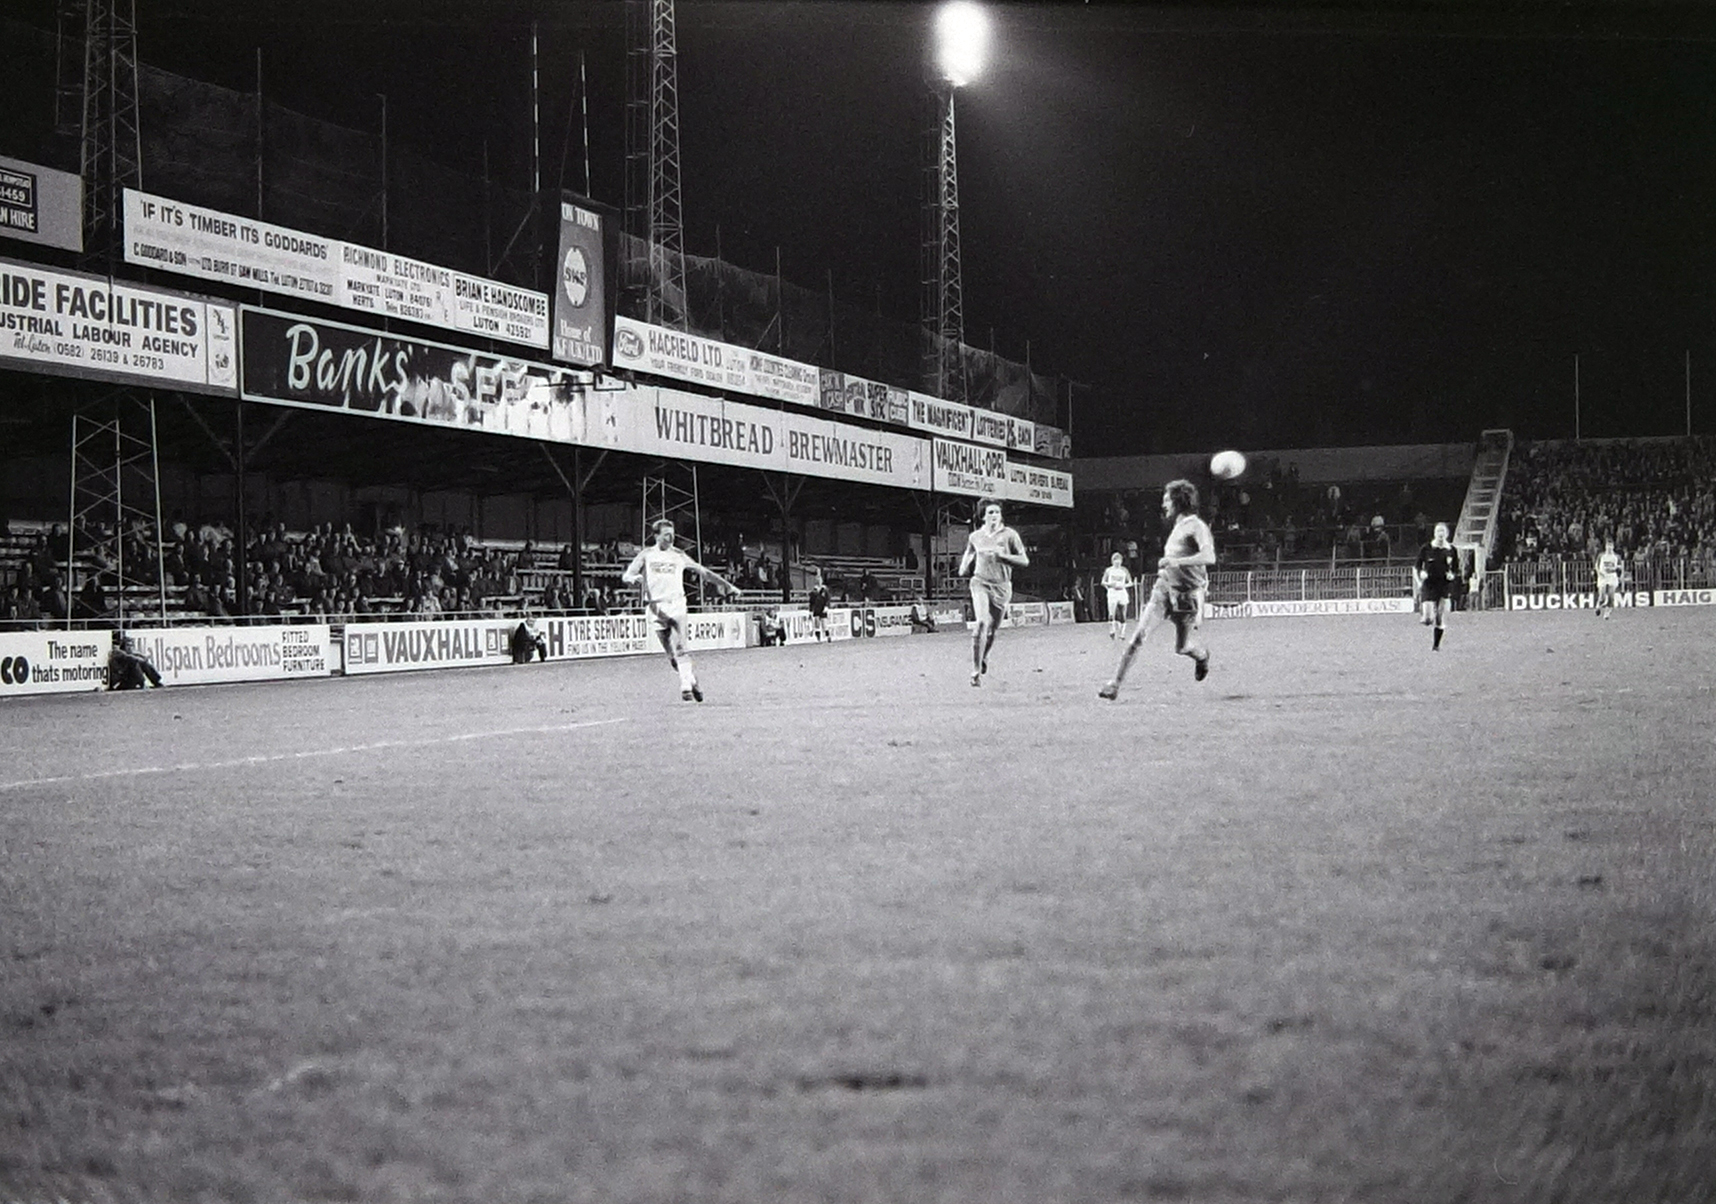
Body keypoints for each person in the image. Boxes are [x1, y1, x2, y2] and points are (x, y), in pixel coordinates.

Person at [1099, 479, 1213, 700]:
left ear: (1178, 502)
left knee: (1182, 647)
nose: (1163, 504)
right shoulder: (1177, 528)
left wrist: (1177, 562)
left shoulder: (1197, 527)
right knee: (1138, 637)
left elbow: (1209, 556)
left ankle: (1202, 656)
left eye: (1167, 500)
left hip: (1186, 597)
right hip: (1163, 591)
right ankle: (1114, 685)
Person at [621, 519, 739, 701]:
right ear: (656, 536)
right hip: (655, 607)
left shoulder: (679, 555)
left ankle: (685, 687)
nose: (671, 538)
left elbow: (704, 572)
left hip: (676, 604)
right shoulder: (646, 555)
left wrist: (728, 585)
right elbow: (627, 575)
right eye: (666, 535)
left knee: (681, 647)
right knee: (672, 657)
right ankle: (691, 680)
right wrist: (632, 578)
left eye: (672, 534)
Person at [959, 500, 1029, 687]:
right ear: (983, 516)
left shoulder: (1010, 535)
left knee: (992, 629)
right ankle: (975, 671)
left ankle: (984, 656)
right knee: (981, 622)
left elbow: (1024, 560)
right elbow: (970, 551)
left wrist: (1002, 557)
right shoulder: (975, 536)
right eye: (990, 512)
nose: (994, 515)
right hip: (980, 582)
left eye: (997, 512)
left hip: (1002, 587)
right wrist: (964, 566)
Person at [1415, 521, 1461, 650]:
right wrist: (1421, 575)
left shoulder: (1451, 550)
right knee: (1428, 620)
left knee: (1440, 617)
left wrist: (1452, 575)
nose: (1440, 534)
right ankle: (1425, 614)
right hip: (1429, 584)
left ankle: (1436, 646)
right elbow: (1417, 566)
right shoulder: (1426, 548)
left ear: (1447, 534)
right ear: (1434, 533)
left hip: (1444, 585)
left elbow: (1456, 569)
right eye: (1438, 531)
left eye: (1443, 531)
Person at [1099, 551, 1134, 639]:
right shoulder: (1109, 570)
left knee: (1123, 613)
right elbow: (1103, 582)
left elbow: (1130, 582)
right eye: (1115, 560)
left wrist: (1124, 585)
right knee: (1112, 613)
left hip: (1121, 592)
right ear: (1112, 561)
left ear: (1121, 561)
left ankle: (1122, 633)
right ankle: (1112, 629)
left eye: (1119, 560)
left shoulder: (1124, 570)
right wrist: (1110, 585)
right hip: (1112, 592)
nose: (1117, 562)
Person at [1594, 536, 1623, 618]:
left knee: (1611, 596)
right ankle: (1598, 606)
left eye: (1610, 546)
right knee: (1602, 596)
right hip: (1603, 577)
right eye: (1608, 546)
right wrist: (1599, 573)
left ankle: (1607, 612)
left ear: (1613, 547)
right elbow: (1596, 566)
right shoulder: (1601, 555)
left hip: (1612, 577)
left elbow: (1620, 567)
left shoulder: (1617, 557)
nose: (1609, 548)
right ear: (1605, 546)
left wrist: (1614, 570)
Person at [807, 574, 832, 642]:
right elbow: (811, 602)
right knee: (817, 623)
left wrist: (826, 606)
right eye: (817, 580)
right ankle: (818, 638)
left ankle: (828, 636)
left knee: (824, 624)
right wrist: (810, 611)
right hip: (816, 609)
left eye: (819, 580)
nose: (818, 581)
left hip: (823, 609)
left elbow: (828, 599)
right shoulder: (814, 592)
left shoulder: (824, 590)